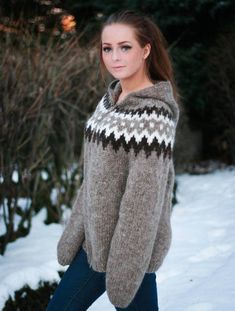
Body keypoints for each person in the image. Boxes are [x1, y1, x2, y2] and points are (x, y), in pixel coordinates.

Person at [46, 9, 180, 311]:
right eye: (107, 48)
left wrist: (124, 265)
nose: (114, 57)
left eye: (125, 47)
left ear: (146, 50)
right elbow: (93, 175)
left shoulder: (154, 116)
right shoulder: (109, 100)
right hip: (94, 245)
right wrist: (77, 229)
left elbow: (142, 200)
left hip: (128, 254)